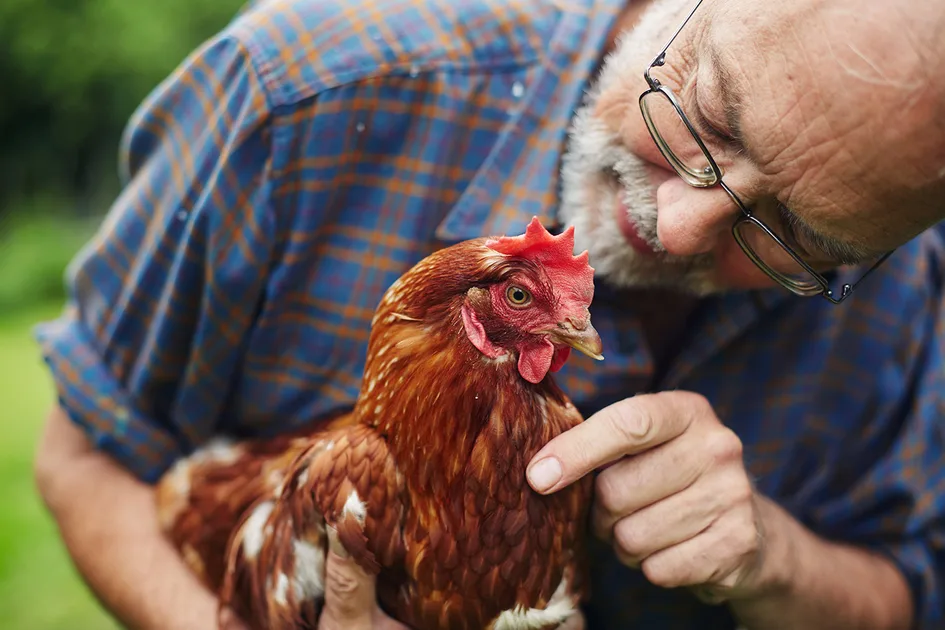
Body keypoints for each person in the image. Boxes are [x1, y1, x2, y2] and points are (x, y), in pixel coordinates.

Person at [31, 0, 945, 627]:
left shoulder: (896, 283)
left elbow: (913, 588)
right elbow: (82, 453)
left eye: (792, 235)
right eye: (710, 115)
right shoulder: (294, 95)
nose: (676, 226)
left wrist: (771, 560)